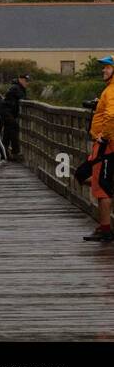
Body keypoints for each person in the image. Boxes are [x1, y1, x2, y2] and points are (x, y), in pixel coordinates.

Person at [83, 57, 114, 242]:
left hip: (107, 145)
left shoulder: (111, 90)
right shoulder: (108, 90)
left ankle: (105, 229)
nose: (103, 70)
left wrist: (105, 135)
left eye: (107, 68)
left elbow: (112, 114)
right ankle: (104, 227)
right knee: (91, 177)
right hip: (105, 144)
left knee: (102, 186)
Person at [2, 74, 29, 160]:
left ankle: (4, 151)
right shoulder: (16, 88)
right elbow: (23, 98)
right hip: (8, 113)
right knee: (14, 130)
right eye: (25, 80)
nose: (27, 83)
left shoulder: (15, 87)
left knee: (7, 132)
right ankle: (15, 152)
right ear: (20, 79)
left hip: (7, 112)